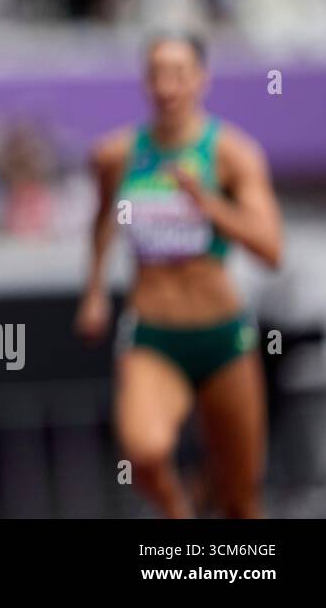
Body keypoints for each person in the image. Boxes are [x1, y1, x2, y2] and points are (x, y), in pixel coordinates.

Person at [75, 34, 282, 518]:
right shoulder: (115, 155)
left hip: (223, 336)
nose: (167, 86)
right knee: (144, 451)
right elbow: (102, 218)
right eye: (156, 74)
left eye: (179, 73)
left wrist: (206, 203)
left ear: (201, 80)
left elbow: (270, 248)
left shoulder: (233, 153)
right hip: (152, 333)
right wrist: (94, 292)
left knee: (241, 498)